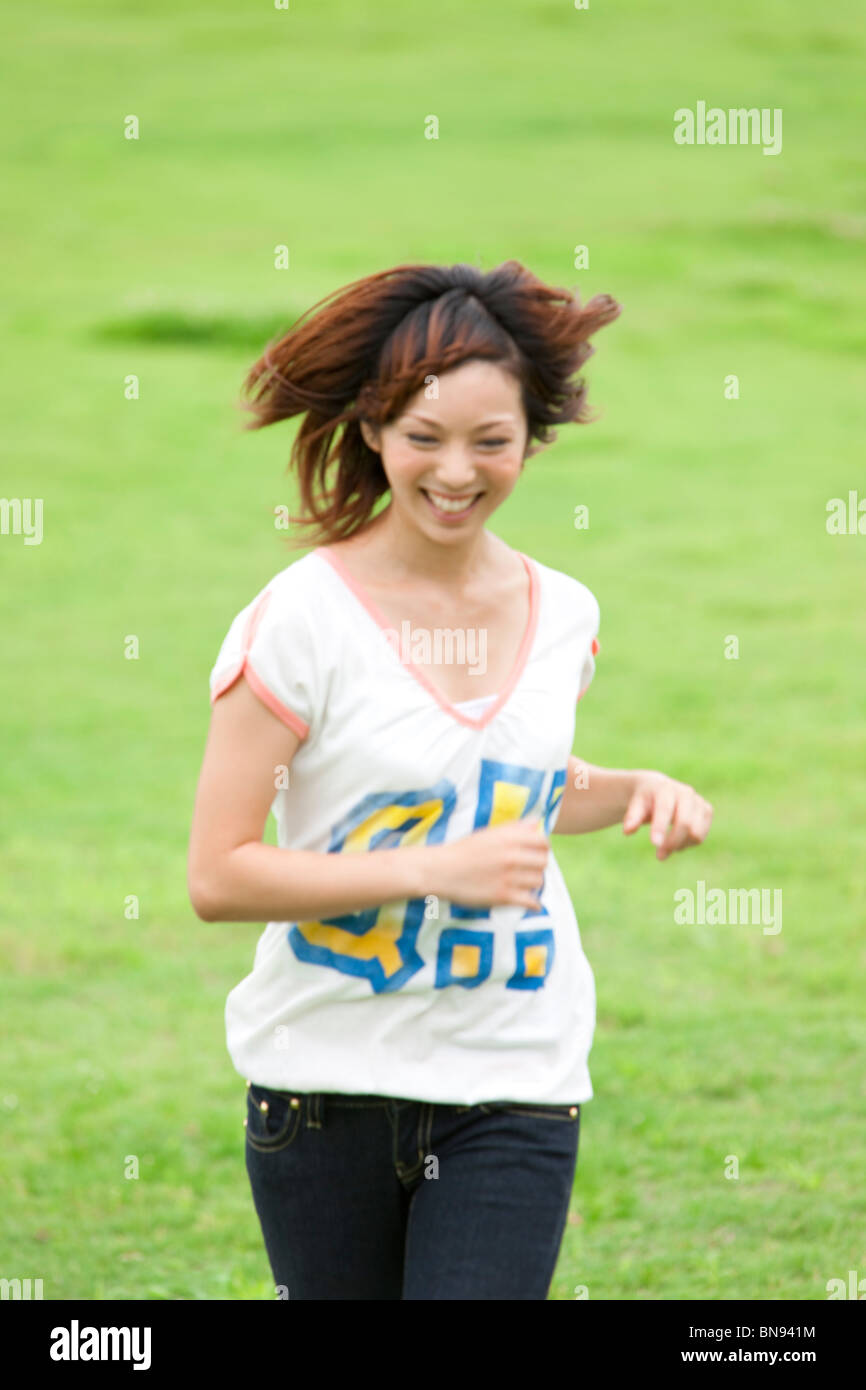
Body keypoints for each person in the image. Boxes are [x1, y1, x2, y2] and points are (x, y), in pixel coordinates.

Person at [187, 260, 713, 1300]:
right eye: (423, 438)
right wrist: (435, 868)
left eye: (491, 442)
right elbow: (220, 874)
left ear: (532, 439)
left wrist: (633, 786)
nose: (455, 472)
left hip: (513, 1080)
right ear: (373, 430)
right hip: (324, 1085)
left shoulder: (561, 610)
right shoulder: (300, 619)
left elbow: (504, 792)